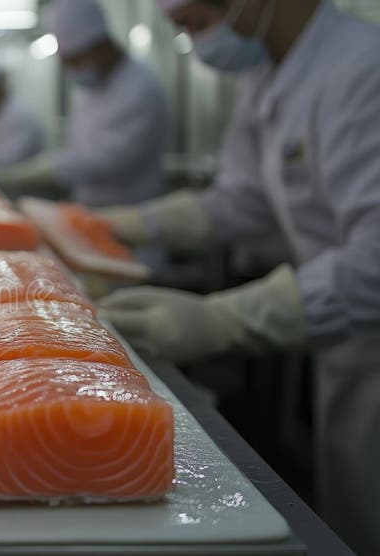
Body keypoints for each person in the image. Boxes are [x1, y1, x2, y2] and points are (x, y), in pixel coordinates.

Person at [97, 1, 380, 553]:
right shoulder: (267, 73)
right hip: (345, 346)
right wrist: (134, 224)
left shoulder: (364, 70)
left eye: (200, 20)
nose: (195, 40)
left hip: (363, 326)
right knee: (353, 520)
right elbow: (244, 201)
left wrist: (227, 318)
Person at [0, 0, 168, 208]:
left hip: (131, 213)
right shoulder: (87, 89)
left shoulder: (139, 87)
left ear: (100, 46)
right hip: (87, 208)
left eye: (74, 60)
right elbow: (78, 149)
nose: (71, 70)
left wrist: (41, 170)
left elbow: (107, 162)